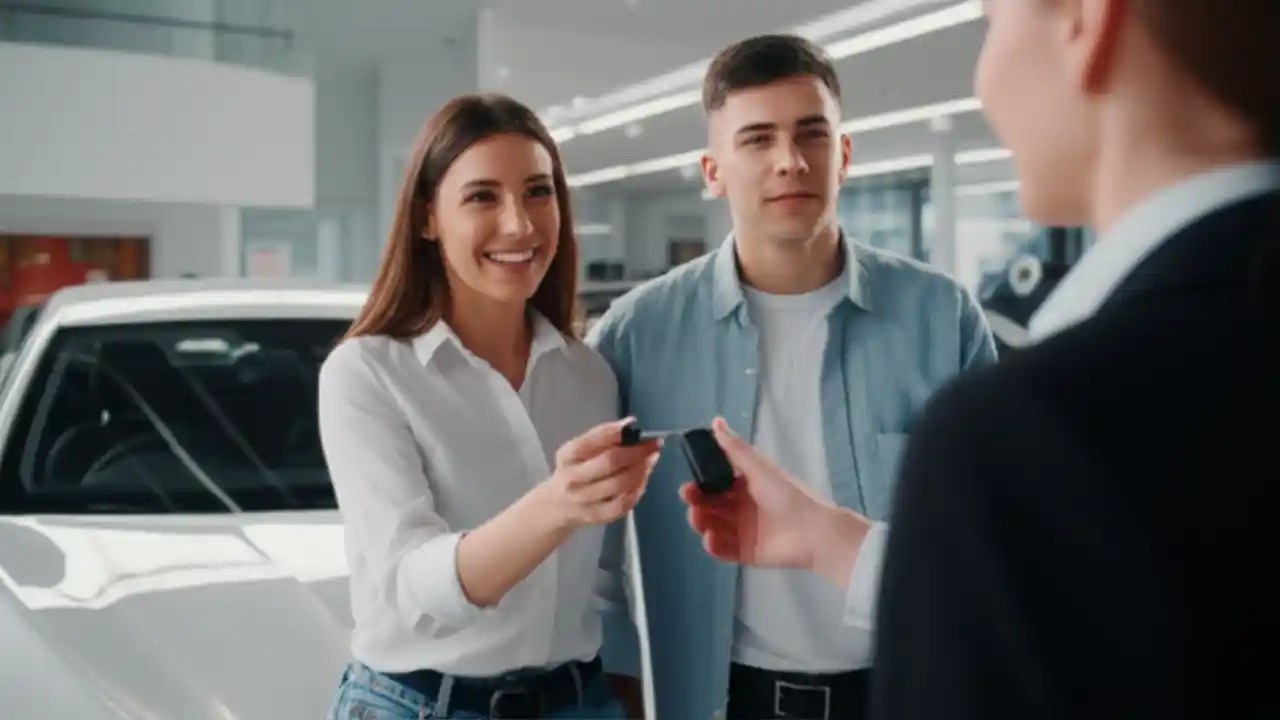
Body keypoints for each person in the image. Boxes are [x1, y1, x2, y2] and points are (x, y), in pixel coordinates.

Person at [681, 1, 1280, 717]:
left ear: (1088, 22)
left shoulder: (1031, 426)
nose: (983, 79)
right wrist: (825, 539)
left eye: (993, 20)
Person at [588, 35, 997, 720]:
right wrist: (628, 694)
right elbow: (599, 559)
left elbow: (992, 528)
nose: (790, 160)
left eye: (812, 134)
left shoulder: (942, 316)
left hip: (910, 689)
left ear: (844, 155)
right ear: (713, 171)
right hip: (719, 699)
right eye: (757, 139)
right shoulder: (637, 333)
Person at [318, 93, 659, 719]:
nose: (520, 225)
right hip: (422, 705)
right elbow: (412, 591)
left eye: (538, 192)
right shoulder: (366, 374)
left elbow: (604, 579)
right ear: (427, 218)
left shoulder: (588, 375)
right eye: (482, 197)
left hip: (580, 701)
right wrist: (556, 506)